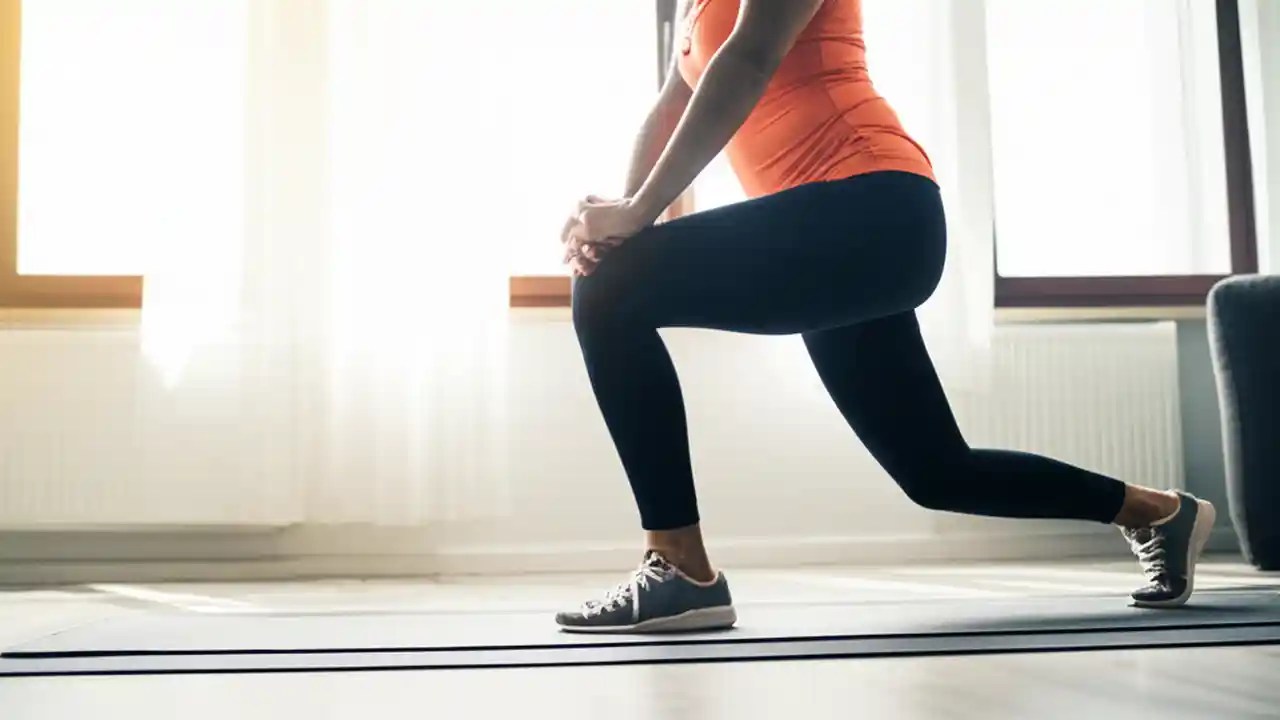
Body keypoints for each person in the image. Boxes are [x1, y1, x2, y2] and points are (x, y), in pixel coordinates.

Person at [556, 0, 1216, 633]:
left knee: (609, 292)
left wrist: (636, 217)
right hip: (827, 229)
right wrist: (624, 216)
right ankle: (1158, 513)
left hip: (871, 210)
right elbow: (674, 103)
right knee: (936, 472)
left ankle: (678, 565)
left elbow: (752, 55)